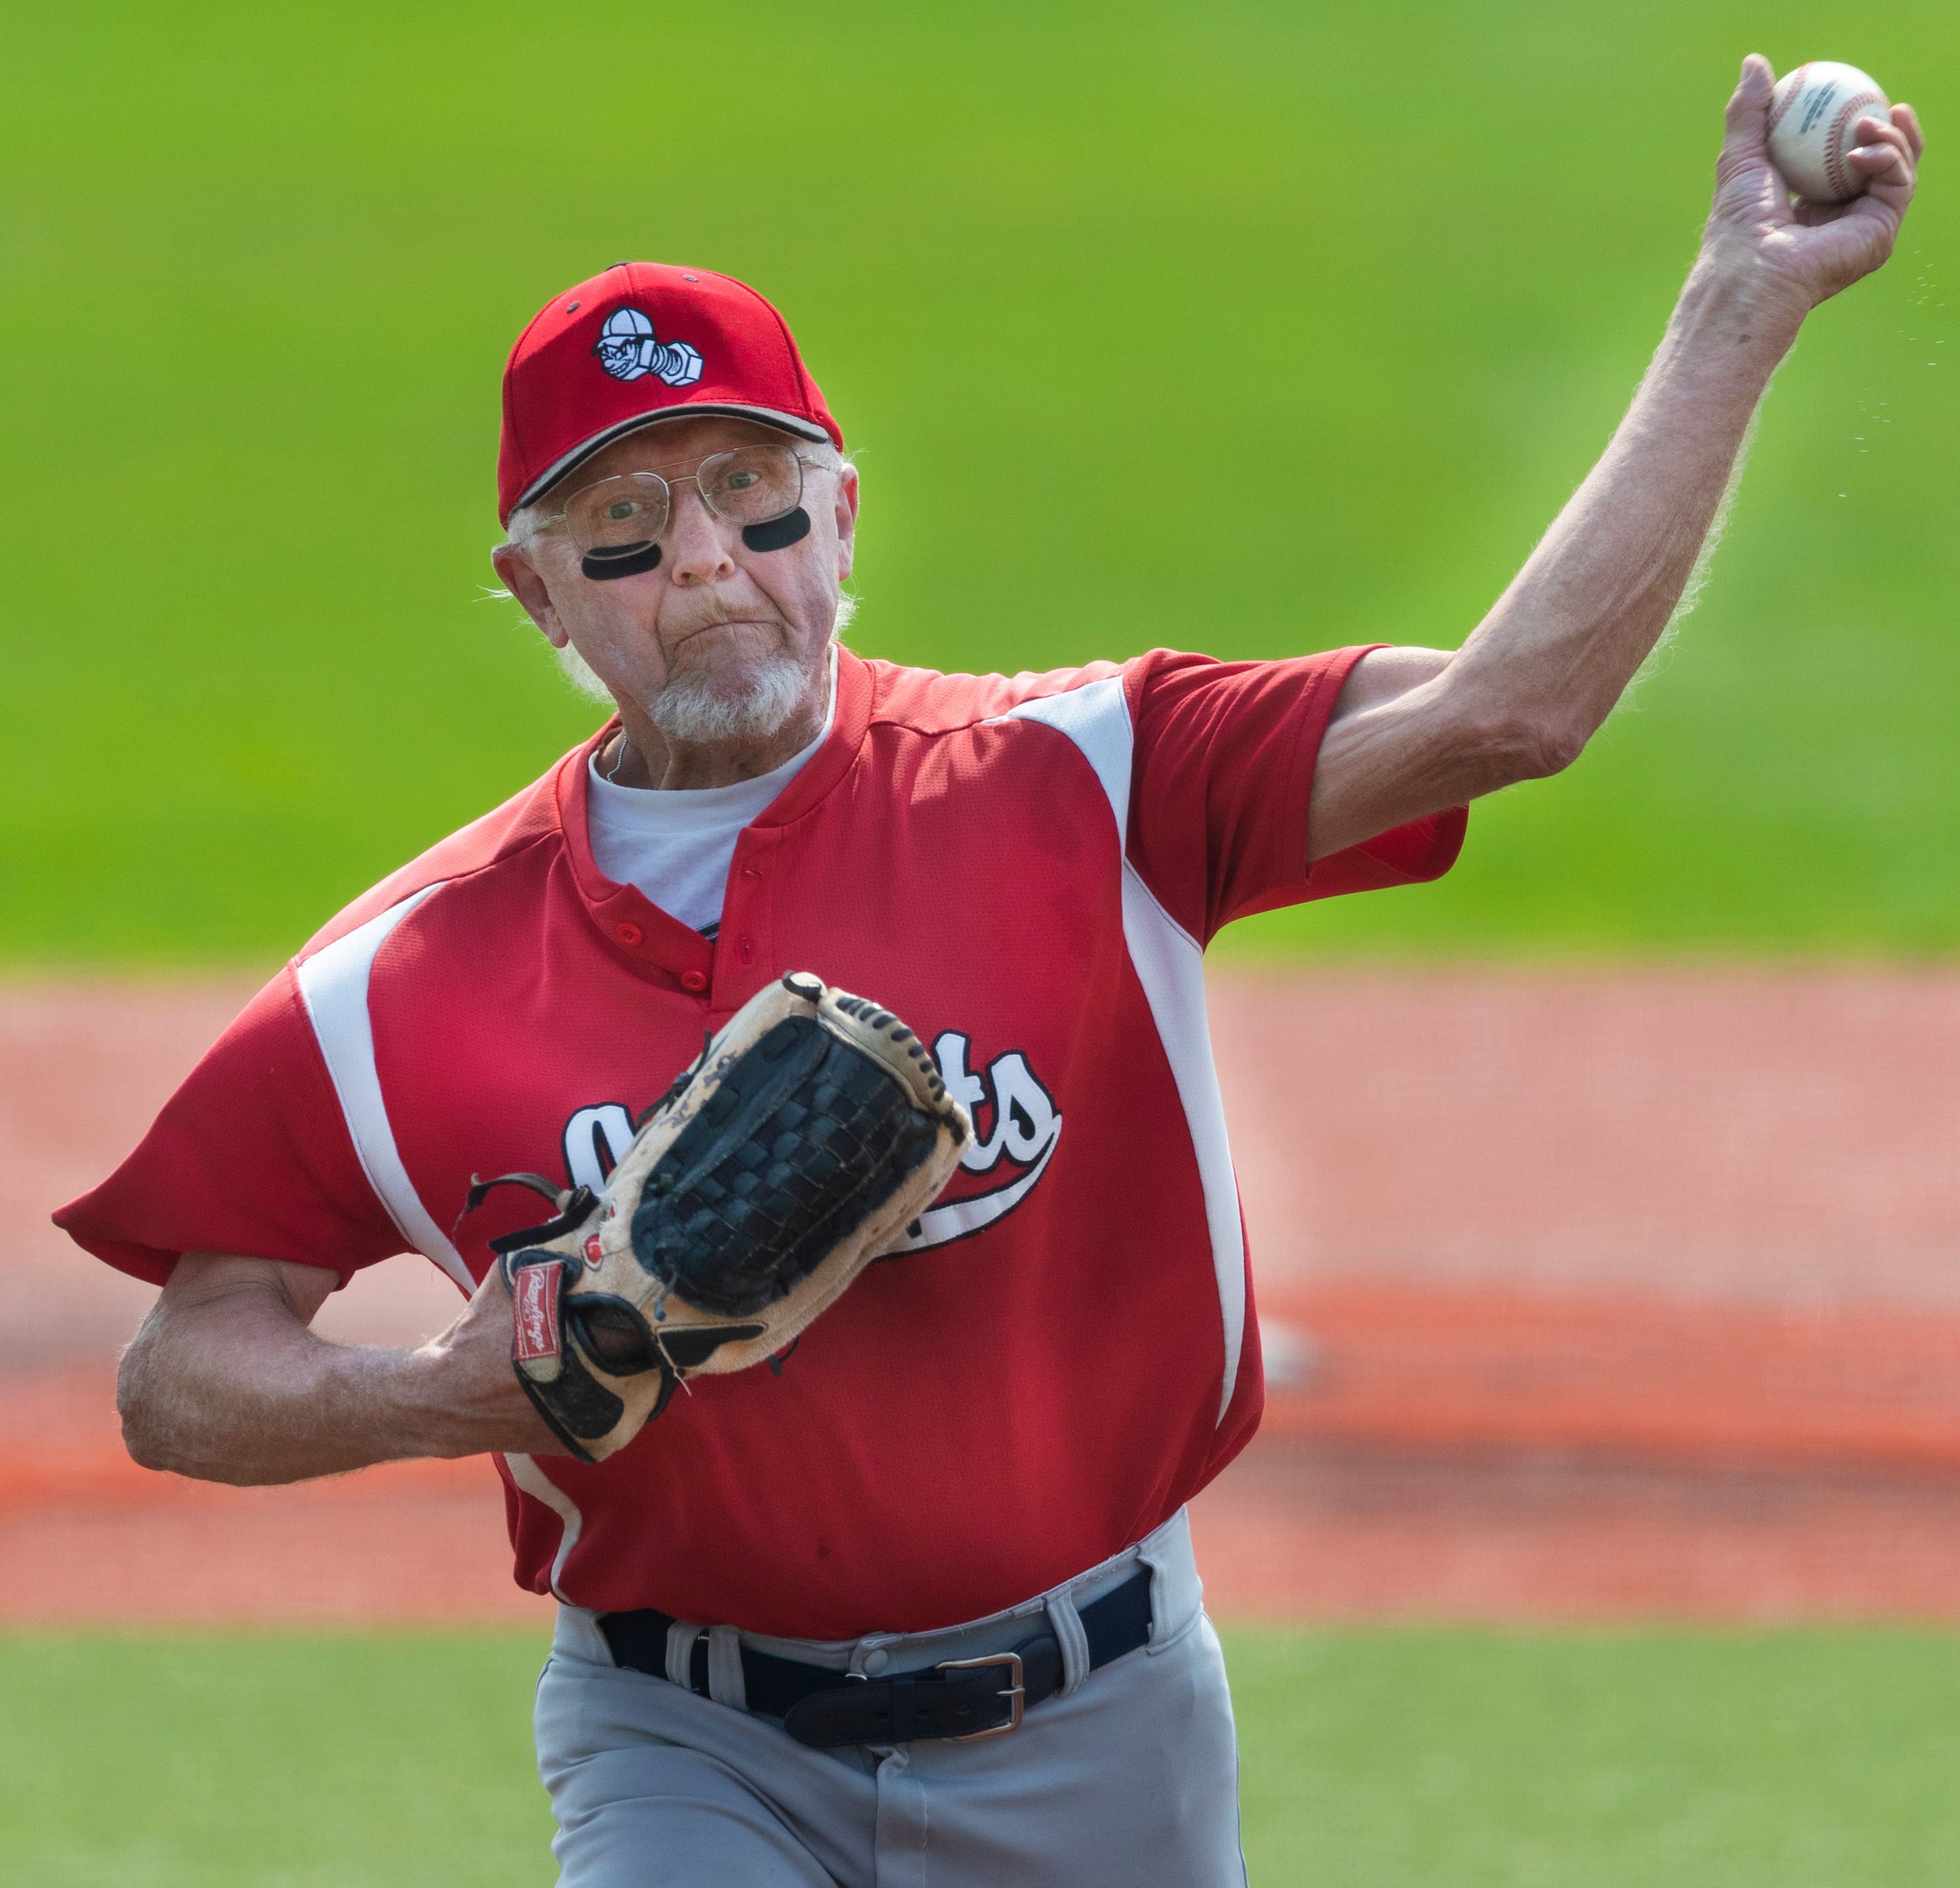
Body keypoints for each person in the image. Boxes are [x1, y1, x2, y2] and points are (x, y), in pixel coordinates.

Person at [55, 59, 1920, 1887]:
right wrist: (441, 1393)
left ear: (842, 519)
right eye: (624, 525)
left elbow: (1513, 708)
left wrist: (1739, 305)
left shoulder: (1090, 777)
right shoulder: (403, 981)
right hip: (688, 1747)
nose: (704, 561)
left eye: (752, 490)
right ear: (540, 590)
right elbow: (183, 1369)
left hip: (1106, 1734)